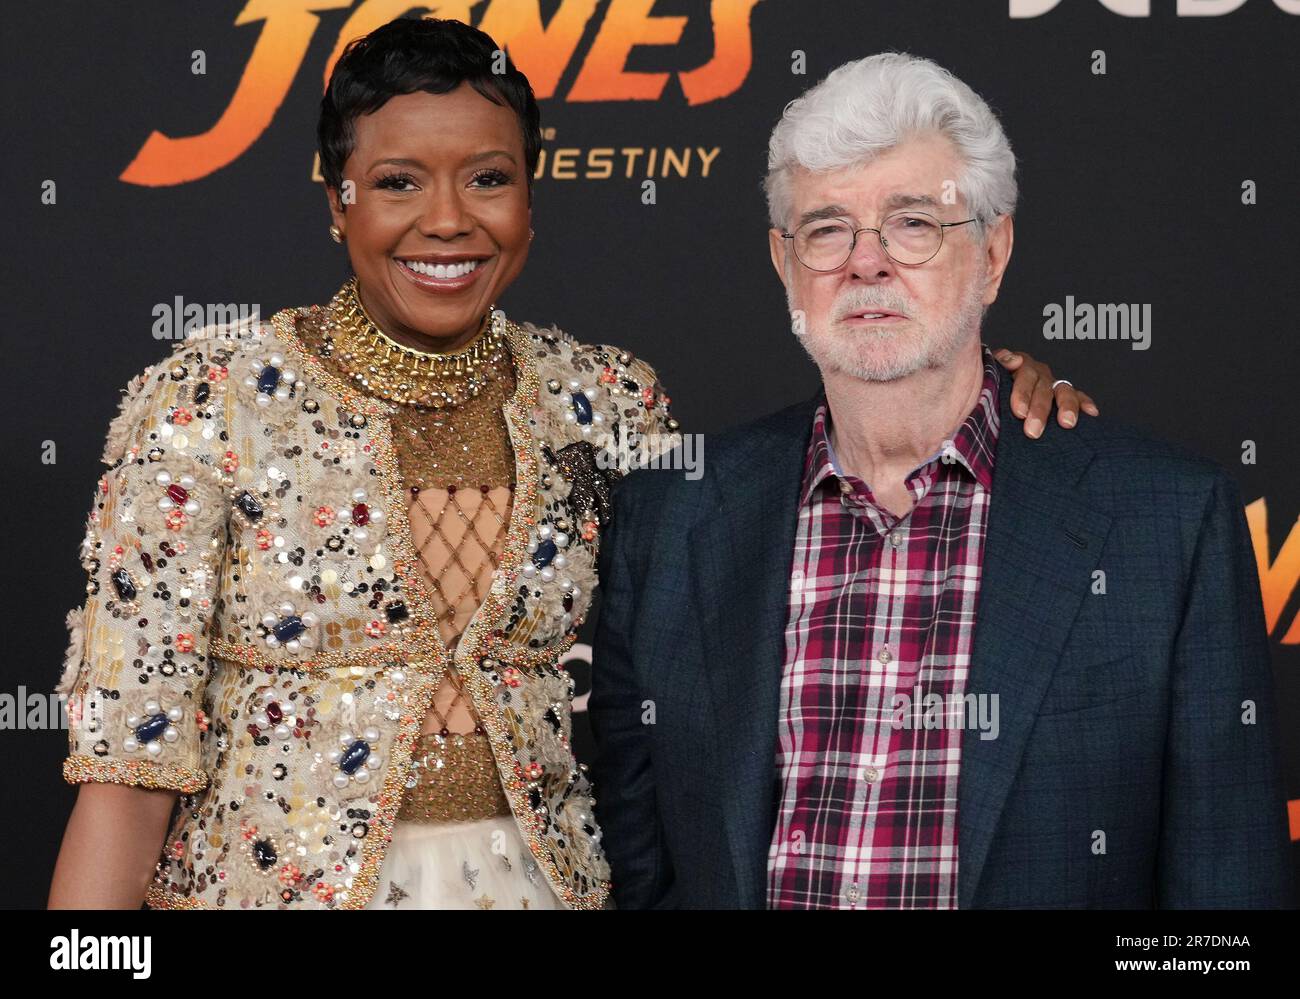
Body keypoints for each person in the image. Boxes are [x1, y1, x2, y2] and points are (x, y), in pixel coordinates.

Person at [47, 19, 1088, 910]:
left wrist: (998, 377)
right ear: (337, 199)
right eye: (398, 181)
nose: (447, 221)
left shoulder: (609, 404)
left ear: (532, 200)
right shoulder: (205, 402)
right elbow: (128, 776)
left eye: (488, 179)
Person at [588, 52, 1292, 909]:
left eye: (914, 223)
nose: (866, 262)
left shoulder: (1168, 524)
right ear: (784, 262)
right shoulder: (672, 515)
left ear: (992, 251)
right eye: (827, 228)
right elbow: (634, 874)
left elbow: (1224, 911)